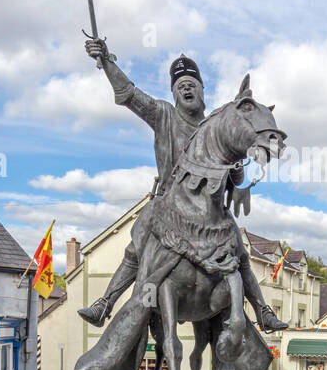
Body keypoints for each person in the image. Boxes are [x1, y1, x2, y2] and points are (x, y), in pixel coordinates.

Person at [77, 37, 288, 332]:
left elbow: (236, 171)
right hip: (169, 203)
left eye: (191, 83)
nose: (186, 87)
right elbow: (128, 93)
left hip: (210, 212)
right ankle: (106, 303)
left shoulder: (218, 125)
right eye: (179, 85)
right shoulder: (162, 113)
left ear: (202, 89)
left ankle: (262, 311)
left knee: (239, 252)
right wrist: (107, 62)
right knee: (138, 241)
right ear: (174, 94)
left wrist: (240, 183)